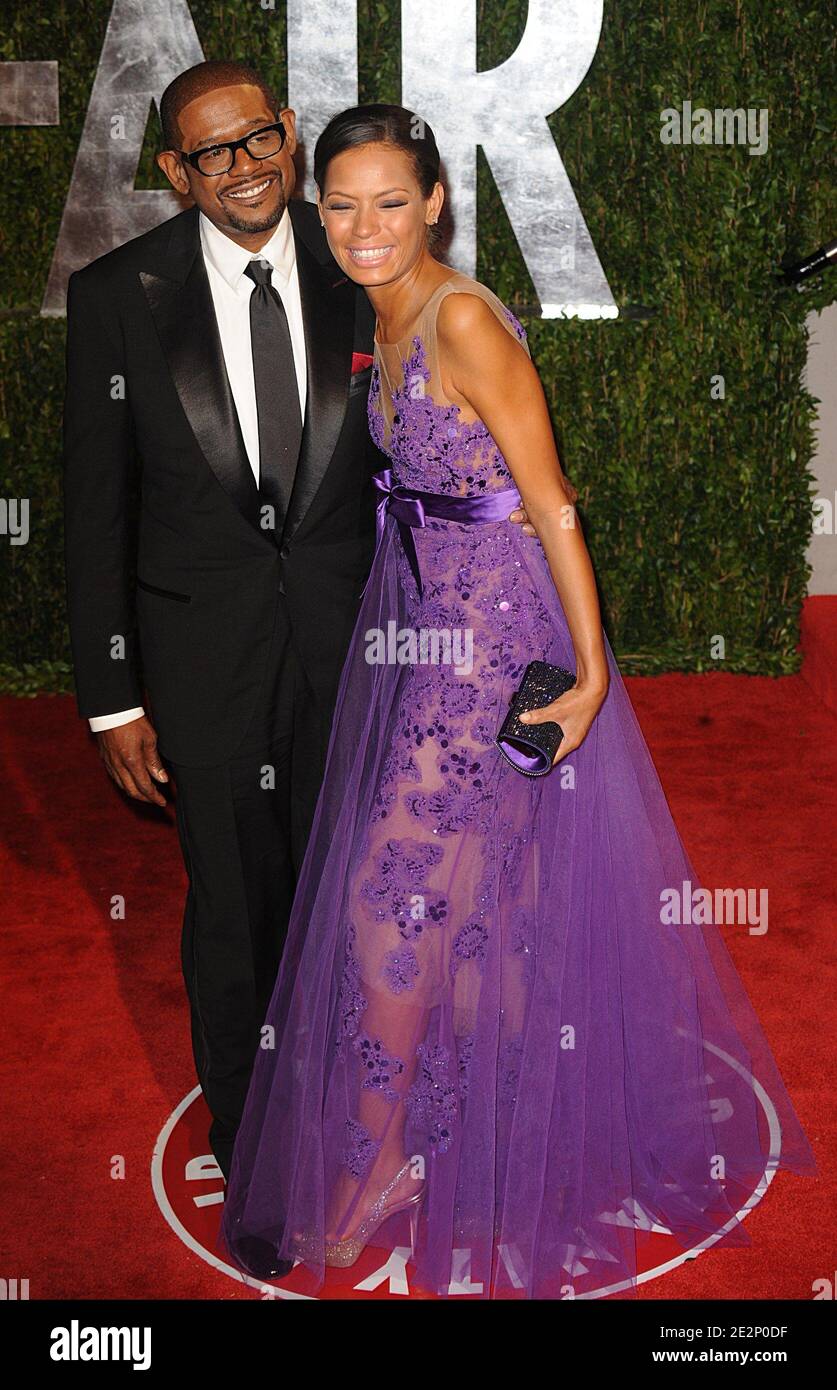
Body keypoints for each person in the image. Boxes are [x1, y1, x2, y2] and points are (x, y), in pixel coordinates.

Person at [220, 104, 816, 1299]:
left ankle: (378, 1159)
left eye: (392, 201)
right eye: (341, 203)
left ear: (435, 200)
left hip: (491, 652)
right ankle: (479, 1121)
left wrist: (591, 676)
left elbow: (551, 505)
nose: (365, 226)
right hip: (430, 635)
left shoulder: (464, 322)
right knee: (475, 899)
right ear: (315, 208)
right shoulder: (379, 314)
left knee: (385, 903)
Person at [63, 63, 394, 1264]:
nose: (247, 165)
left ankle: (357, 1131)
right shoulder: (116, 296)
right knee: (238, 917)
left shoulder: (363, 259)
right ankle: (257, 1167)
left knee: (354, 904)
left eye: (261, 136)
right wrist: (112, 698)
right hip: (201, 672)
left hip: (354, 650)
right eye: (214, 152)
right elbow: (94, 512)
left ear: (290, 132)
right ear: (175, 171)